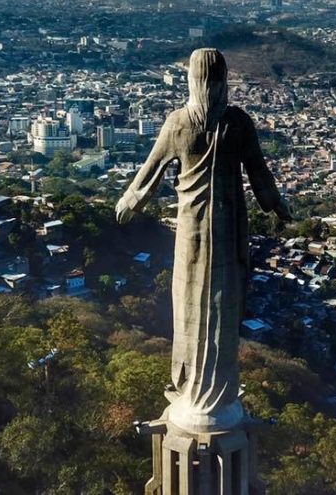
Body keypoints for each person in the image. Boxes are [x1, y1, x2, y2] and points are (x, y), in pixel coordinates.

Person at [116, 48, 291, 431]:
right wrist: (275, 204)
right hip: (227, 233)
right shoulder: (237, 123)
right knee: (221, 308)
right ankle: (210, 392)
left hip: (192, 234)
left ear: (191, 81)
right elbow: (260, 175)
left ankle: (199, 389)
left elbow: (149, 173)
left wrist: (129, 204)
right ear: (224, 80)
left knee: (191, 306)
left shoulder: (180, 123)